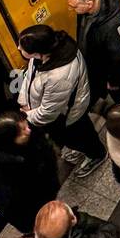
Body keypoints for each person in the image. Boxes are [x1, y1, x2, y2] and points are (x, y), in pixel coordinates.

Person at [16, 24, 106, 178]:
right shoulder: (49, 53)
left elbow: (49, 113)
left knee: (79, 134)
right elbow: (29, 76)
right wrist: (24, 100)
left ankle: (97, 155)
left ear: (37, 52)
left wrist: (27, 116)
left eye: (22, 47)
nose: (18, 48)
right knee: (76, 134)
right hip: (62, 109)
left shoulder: (59, 76)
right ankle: (85, 148)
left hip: (69, 113)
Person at [0, 111, 62, 236]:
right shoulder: (0, 170)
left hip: (45, 192)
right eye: (22, 132)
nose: (28, 131)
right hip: (31, 210)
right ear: (9, 140)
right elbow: (11, 205)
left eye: (26, 126)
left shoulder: (30, 137)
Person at [67, 0, 120, 111]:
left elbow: (119, 58)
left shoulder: (113, 26)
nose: (71, 10)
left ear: (89, 4)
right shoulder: (86, 11)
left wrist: (114, 82)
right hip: (97, 65)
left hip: (113, 74)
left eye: (74, 7)